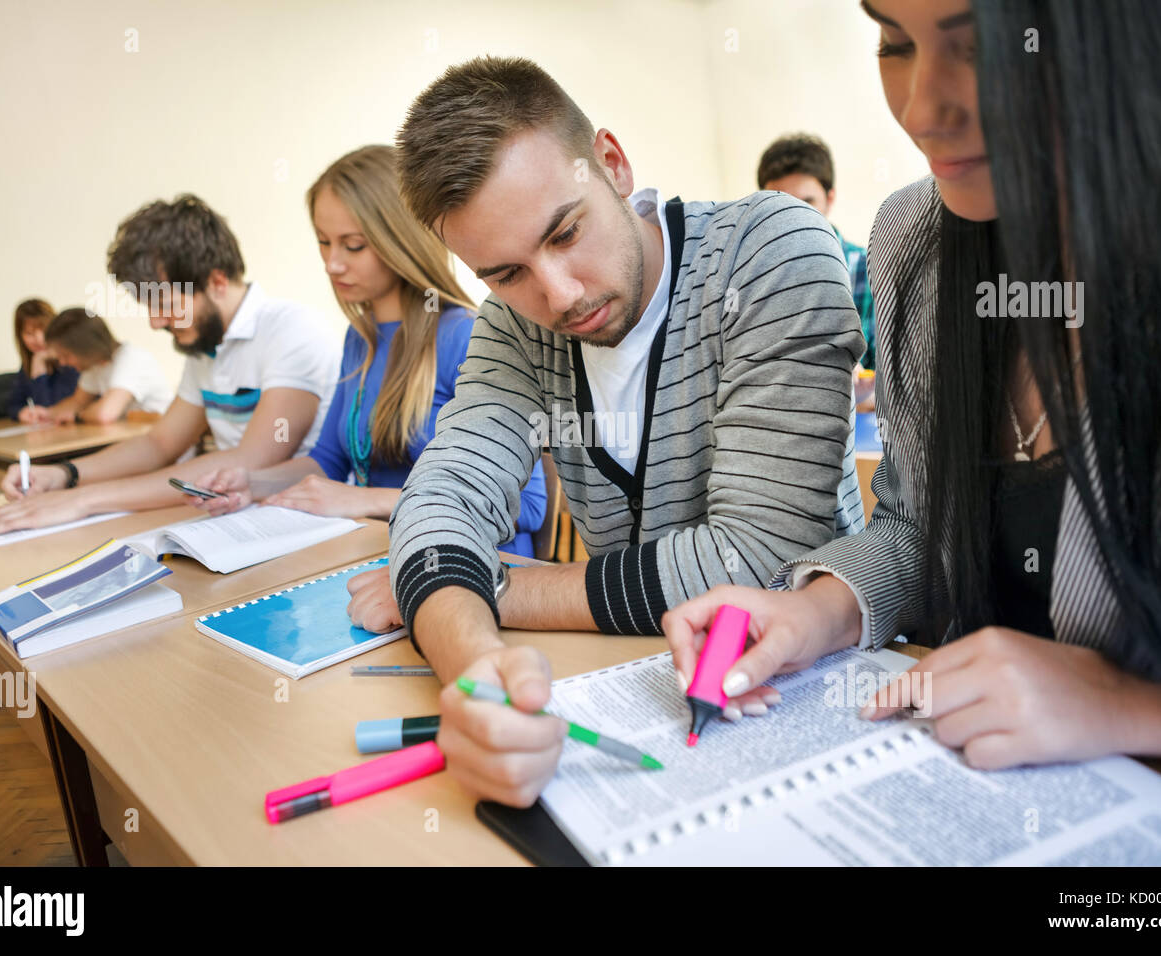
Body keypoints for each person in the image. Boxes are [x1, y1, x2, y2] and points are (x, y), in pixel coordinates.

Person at [664, 0, 1161, 806]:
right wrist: (816, 614)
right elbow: (917, 526)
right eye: (894, 42)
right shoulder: (915, 240)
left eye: (987, 47)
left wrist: (1136, 708)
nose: (923, 111)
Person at [354, 56, 866, 807]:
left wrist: (494, 585)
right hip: (639, 693)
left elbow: (757, 558)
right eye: (505, 274)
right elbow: (440, 505)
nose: (557, 295)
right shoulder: (513, 326)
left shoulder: (770, 248)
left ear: (614, 166)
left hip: (807, 700)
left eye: (565, 232)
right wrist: (474, 666)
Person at [190, 145, 546, 557]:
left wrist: (364, 500)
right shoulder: (360, 338)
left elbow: (530, 507)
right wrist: (252, 483)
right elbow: (328, 460)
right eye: (324, 242)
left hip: (469, 564)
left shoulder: (469, 337)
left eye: (353, 245)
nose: (332, 263)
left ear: (400, 239)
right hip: (379, 551)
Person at [0, 195, 338, 538]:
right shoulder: (206, 348)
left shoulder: (291, 330)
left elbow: (253, 459)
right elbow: (159, 443)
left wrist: (84, 499)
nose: (156, 322)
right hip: (245, 516)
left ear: (216, 282)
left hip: (311, 522)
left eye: (164, 303)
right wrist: (65, 475)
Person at [758, 133, 876, 406]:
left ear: (829, 199)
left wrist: (860, 389)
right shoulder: (749, 276)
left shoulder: (869, 269)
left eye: (807, 202)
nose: (794, 217)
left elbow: (896, 383)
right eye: (779, 204)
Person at [26, 308, 172, 424]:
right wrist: (46, 413)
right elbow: (78, 401)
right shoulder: (95, 365)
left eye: (66, 356)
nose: (63, 363)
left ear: (86, 348)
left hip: (164, 445)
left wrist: (77, 416)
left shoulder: (131, 359)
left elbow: (105, 414)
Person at [6, 298, 79, 422]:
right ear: (20, 337)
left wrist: (39, 371)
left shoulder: (71, 361)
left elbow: (50, 409)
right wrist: (20, 412)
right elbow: (12, 405)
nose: (39, 340)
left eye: (44, 331)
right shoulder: (29, 364)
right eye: (29, 333)